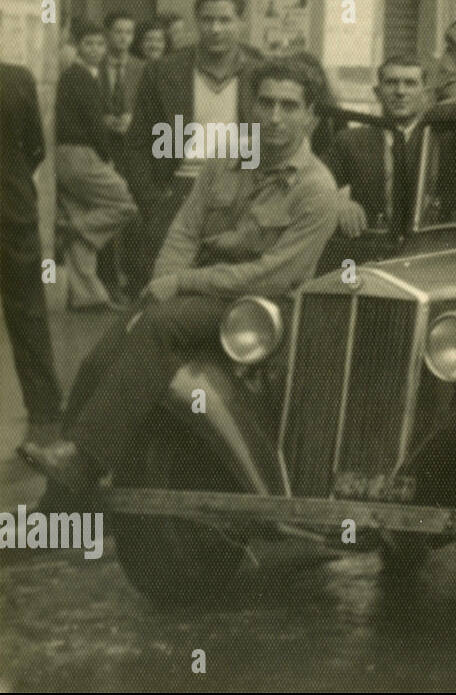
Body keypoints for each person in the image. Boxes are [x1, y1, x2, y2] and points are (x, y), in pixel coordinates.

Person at [21, 58, 339, 502]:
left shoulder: (316, 188)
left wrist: (184, 283)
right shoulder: (229, 155)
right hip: (199, 291)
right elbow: (186, 228)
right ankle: (61, 498)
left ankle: (84, 462)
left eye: (289, 106)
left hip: (262, 307)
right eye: (265, 102)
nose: (274, 116)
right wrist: (165, 281)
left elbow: (274, 274)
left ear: (311, 116)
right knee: (99, 361)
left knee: (160, 326)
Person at [122, 0, 263, 298]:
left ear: (242, 22)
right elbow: (137, 145)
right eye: (207, 20)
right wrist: (153, 202)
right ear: (196, 21)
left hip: (239, 193)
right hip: (178, 192)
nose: (215, 29)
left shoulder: (259, 75)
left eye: (225, 20)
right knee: (164, 292)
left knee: (231, 294)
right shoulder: (165, 73)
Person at [53, 17, 138, 311]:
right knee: (125, 202)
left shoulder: (73, 76)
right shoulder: (81, 77)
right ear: (77, 47)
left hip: (65, 156)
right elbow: (93, 124)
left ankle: (88, 297)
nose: (95, 49)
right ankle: (68, 226)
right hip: (81, 154)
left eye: (99, 44)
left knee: (86, 226)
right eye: (88, 43)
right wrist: (106, 156)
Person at [2, 63, 64, 456]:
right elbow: (35, 148)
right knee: (28, 315)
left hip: (11, 213)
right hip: (13, 209)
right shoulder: (16, 79)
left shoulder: (15, 79)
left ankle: (44, 417)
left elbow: (36, 147)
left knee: (27, 314)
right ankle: (44, 419)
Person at [328, 56, 432, 236]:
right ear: (377, 92)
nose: (400, 91)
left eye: (410, 83)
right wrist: (337, 203)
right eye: (391, 83)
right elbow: (313, 183)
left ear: (425, 93)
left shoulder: (440, 142)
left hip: (425, 248)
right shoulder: (350, 142)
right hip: (371, 245)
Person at [98, 10, 145, 299]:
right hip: (102, 145)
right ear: (107, 33)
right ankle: (107, 278)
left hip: (131, 147)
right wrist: (103, 119)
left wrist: (133, 119)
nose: (124, 38)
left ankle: (131, 276)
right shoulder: (95, 65)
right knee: (108, 209)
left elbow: (147, 105)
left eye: (129, 33)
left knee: (132, 211)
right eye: (118, 32)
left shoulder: (141, 68)